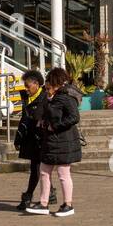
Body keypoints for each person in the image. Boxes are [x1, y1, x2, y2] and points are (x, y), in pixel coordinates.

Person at [25, 67, 82, 217]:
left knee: (63, 173)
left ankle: (68, 204)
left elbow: (74, 117)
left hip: (63, 141)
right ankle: (43, 203)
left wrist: (55, 125)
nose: (48, 85)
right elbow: (43, 114)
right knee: (44, 171)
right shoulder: (51, 97)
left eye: (50, 81)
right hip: (51, 141)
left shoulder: (66, 97)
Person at [14, 70, 53, 211]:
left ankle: (28, 196)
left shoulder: (45, 97)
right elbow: (24, 118)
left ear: (36, 84)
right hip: (29, 137)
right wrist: (18, 138)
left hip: (41, 139)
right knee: (41, 168)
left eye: (28, 86)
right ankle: (51, 192)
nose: (26, 89)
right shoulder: (26, 97)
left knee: (36, 169)